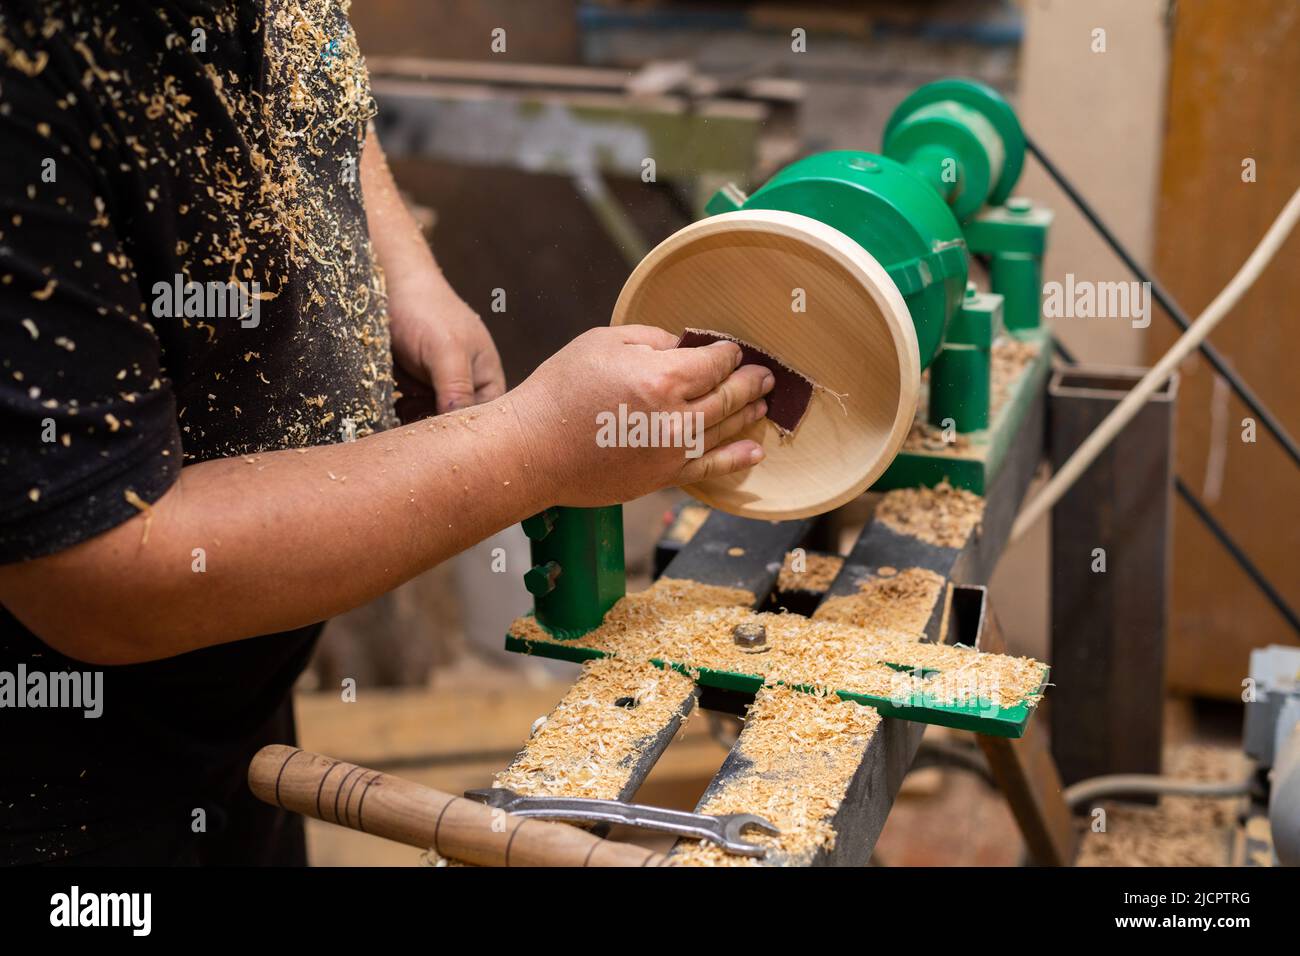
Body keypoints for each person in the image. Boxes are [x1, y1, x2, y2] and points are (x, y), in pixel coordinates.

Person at [0, 0, 772, 864]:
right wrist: (533, 447)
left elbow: (310, 54)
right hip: (57, 793)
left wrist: (401, 270)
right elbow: (96, 573)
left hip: (232, 710)